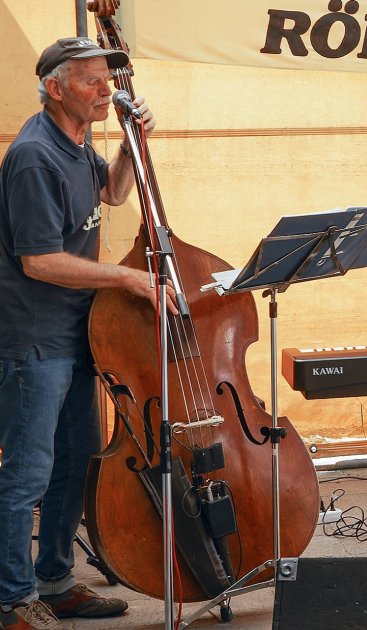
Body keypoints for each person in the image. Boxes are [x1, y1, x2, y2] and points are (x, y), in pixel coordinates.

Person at [0, 36, 168, 630]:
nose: (107, 90)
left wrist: (129, 145)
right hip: (35, 341)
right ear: (55, 88)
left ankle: (56, 581)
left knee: (76, 463)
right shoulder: (34, 156)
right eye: (92, 80)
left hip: (79, 335)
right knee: (29, 473)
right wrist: (125, 276)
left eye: (108, 79)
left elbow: (113, 193)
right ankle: (12, 599)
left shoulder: (78, 143)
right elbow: (40, 261)